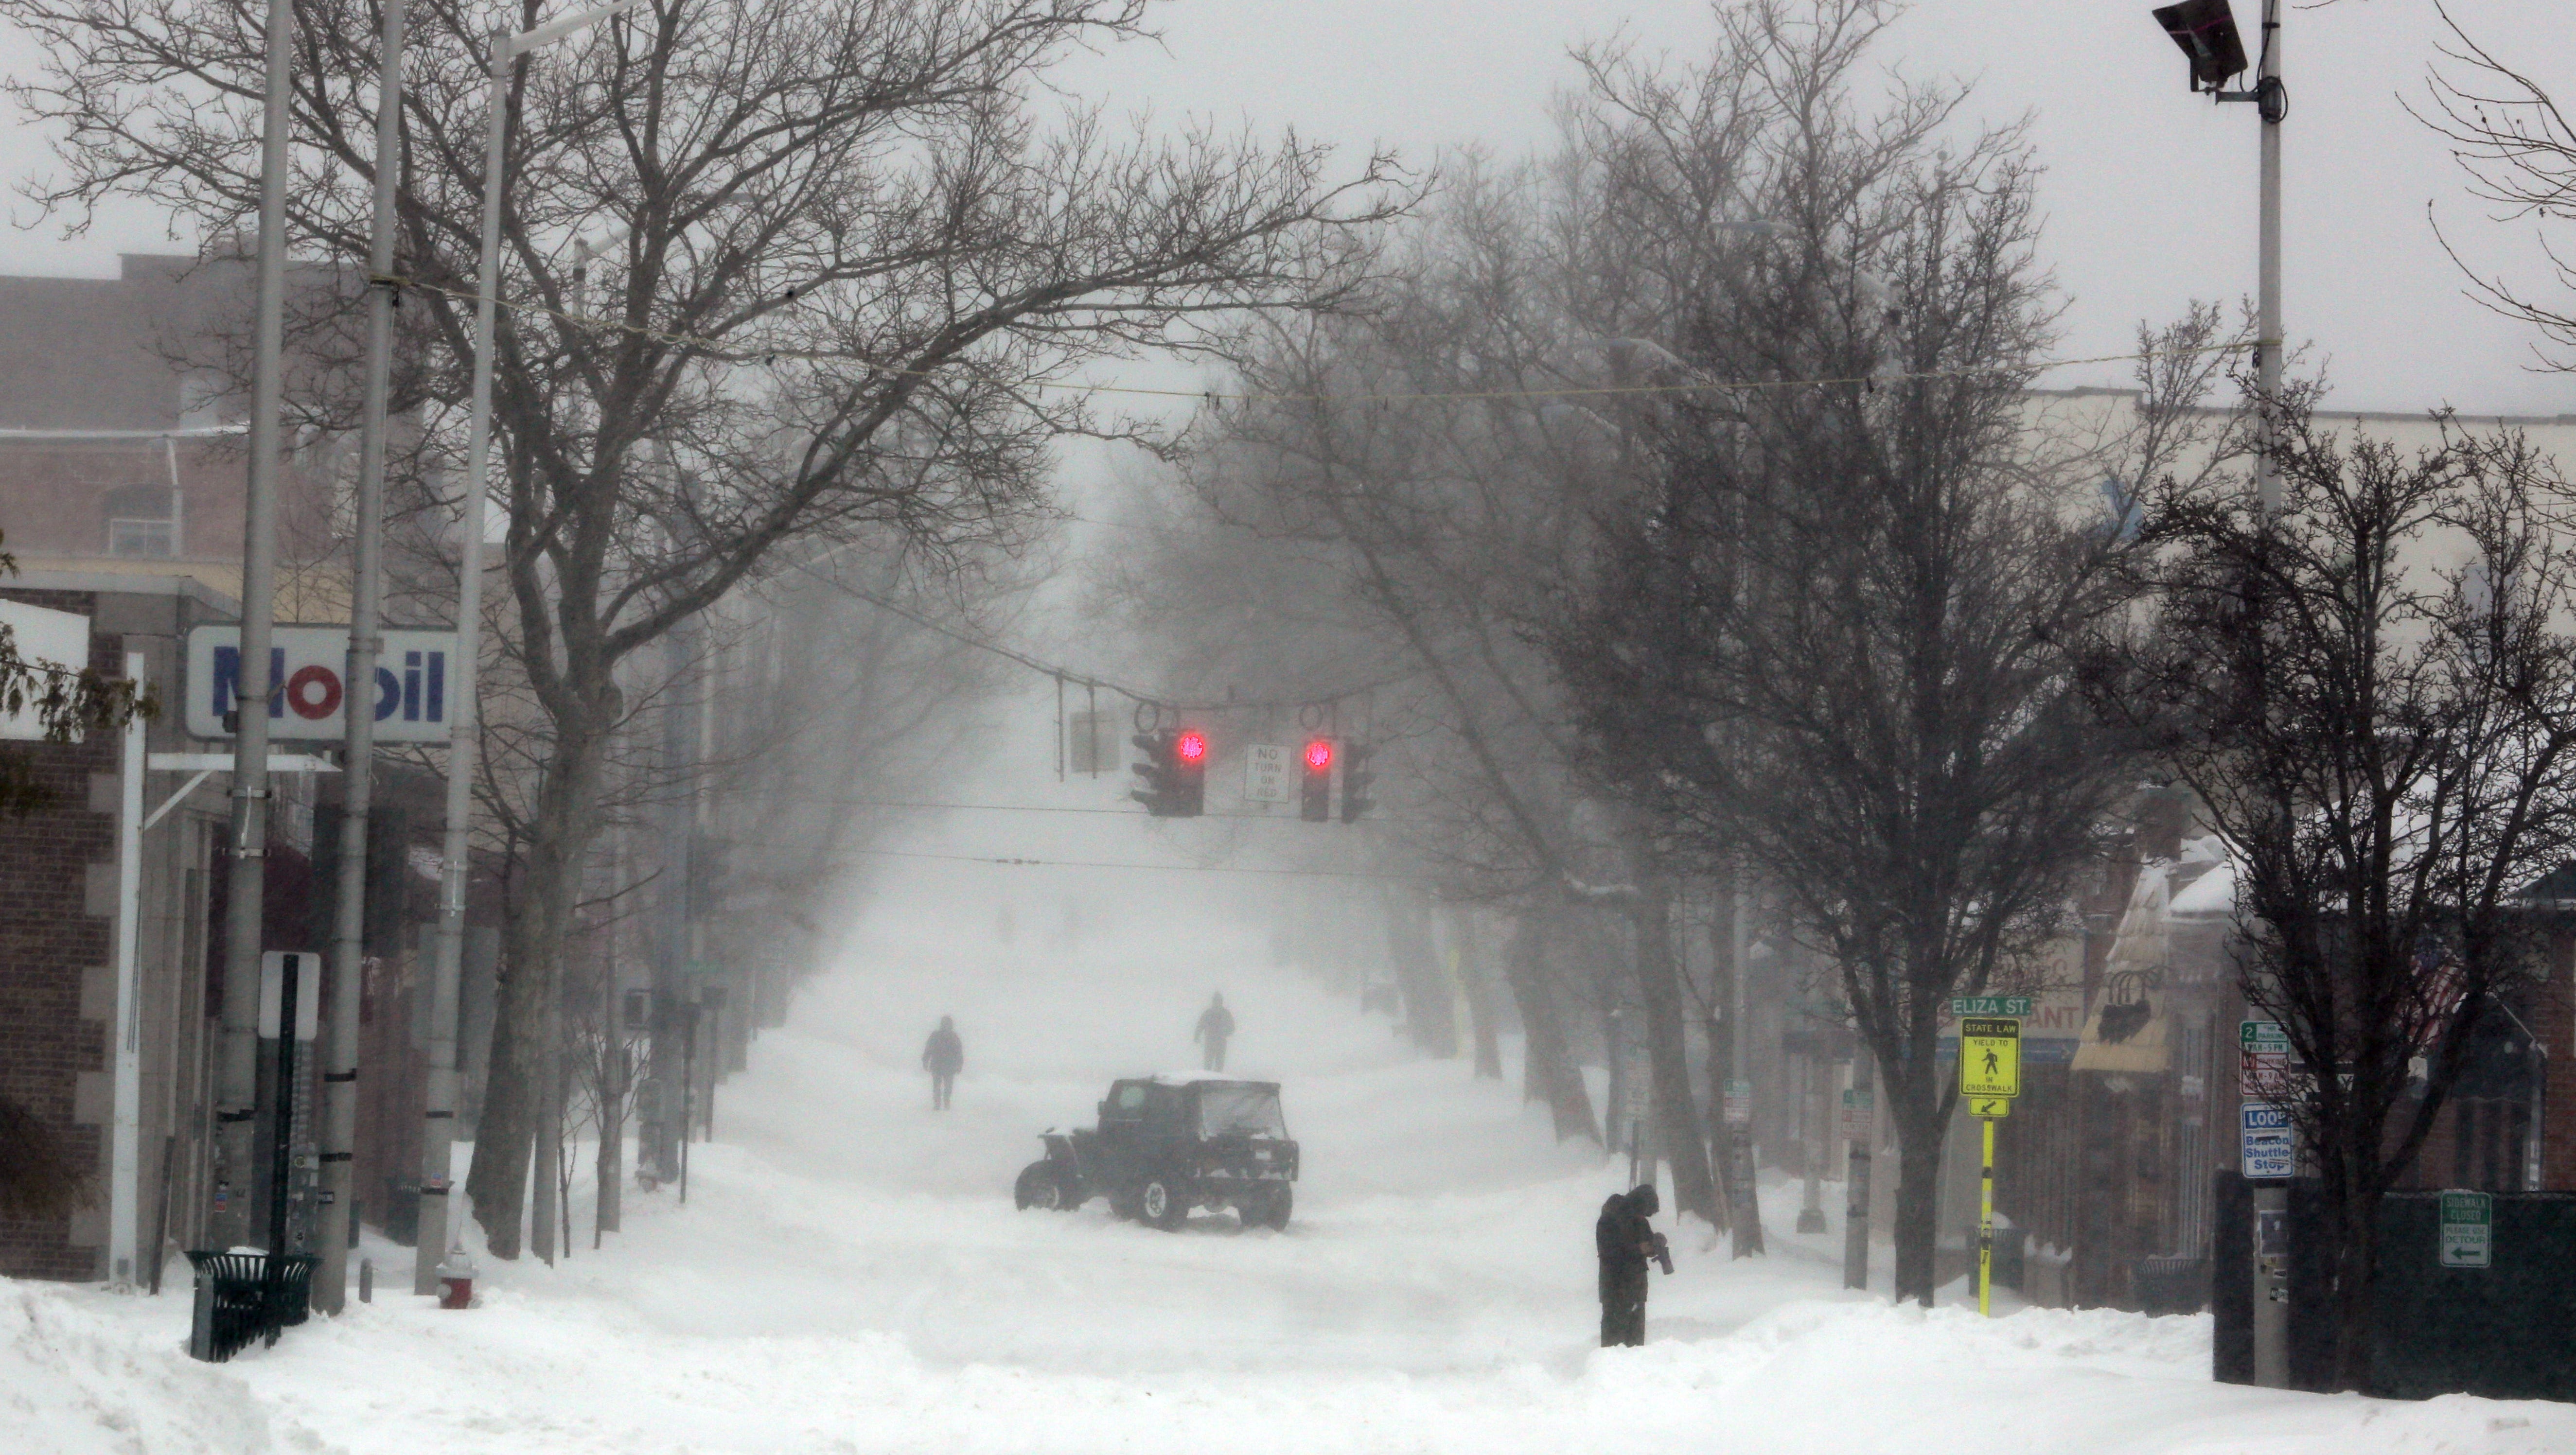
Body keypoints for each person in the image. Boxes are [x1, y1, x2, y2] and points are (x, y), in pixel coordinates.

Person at [1595, 1183, 1669, 1347]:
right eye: (1646, 1211)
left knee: (1635, 1345)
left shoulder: (1639, 1219)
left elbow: (1645, 1243)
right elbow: (1609, 1251)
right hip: (1616, 1288)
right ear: (1640, 1204)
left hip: (1636, 1289)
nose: (1646, 1216)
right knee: (1614, 1344)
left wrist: (1656, 1243)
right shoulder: (1610, 1218)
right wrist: (1638, 1249)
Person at [922, 1016, 964, 1110]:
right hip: (943, 1066)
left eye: (947, 1024)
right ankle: (941, 1103)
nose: (946, 1026)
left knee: (943, 1086)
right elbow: (929, 1049)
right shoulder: (951, 1036)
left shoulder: (949, 1036)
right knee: (941, 1086)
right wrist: (925, 1061)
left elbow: (959, 1052)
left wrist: (925, 1061)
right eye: (945, 1024)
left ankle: (943, 1103)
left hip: (943, 1066)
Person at [1194, 993, 1235, 1071]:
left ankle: (1217, 1078)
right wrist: (1197, 1036)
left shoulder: (1225, 1014)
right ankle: (1208, 1078)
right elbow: (1200, 1025)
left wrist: (1225, 1033)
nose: (1217, 1003)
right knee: (1208, 1064)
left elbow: (1232, 1027)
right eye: (1216, 1001)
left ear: (1221, 1002)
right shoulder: (1208, 1013)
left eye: (1219, 1001)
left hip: (1220, 1042)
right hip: (1210, 1042)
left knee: (1219, 1064)